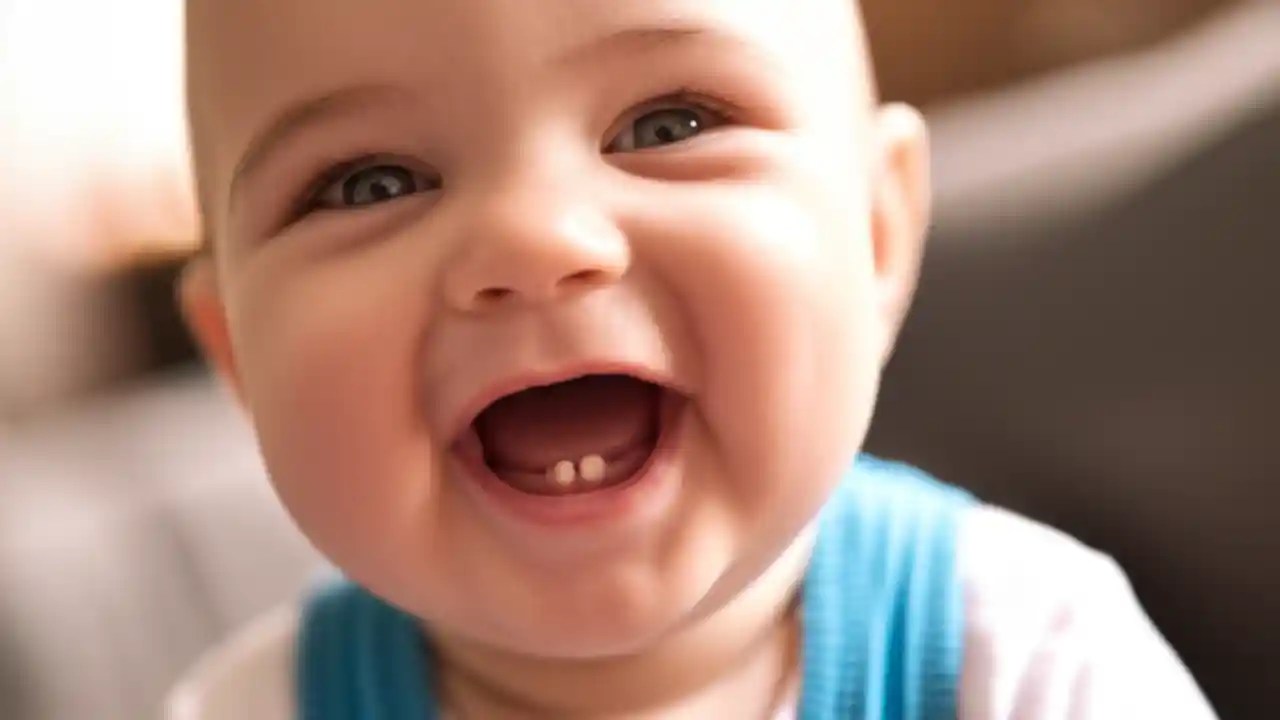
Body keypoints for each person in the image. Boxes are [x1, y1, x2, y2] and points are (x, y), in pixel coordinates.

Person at [169, 0, 1217, 717]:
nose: (533, 242)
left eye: (666, 123)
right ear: (238, 362)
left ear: (877, 235)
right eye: (369, 184)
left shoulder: (1026, 659)